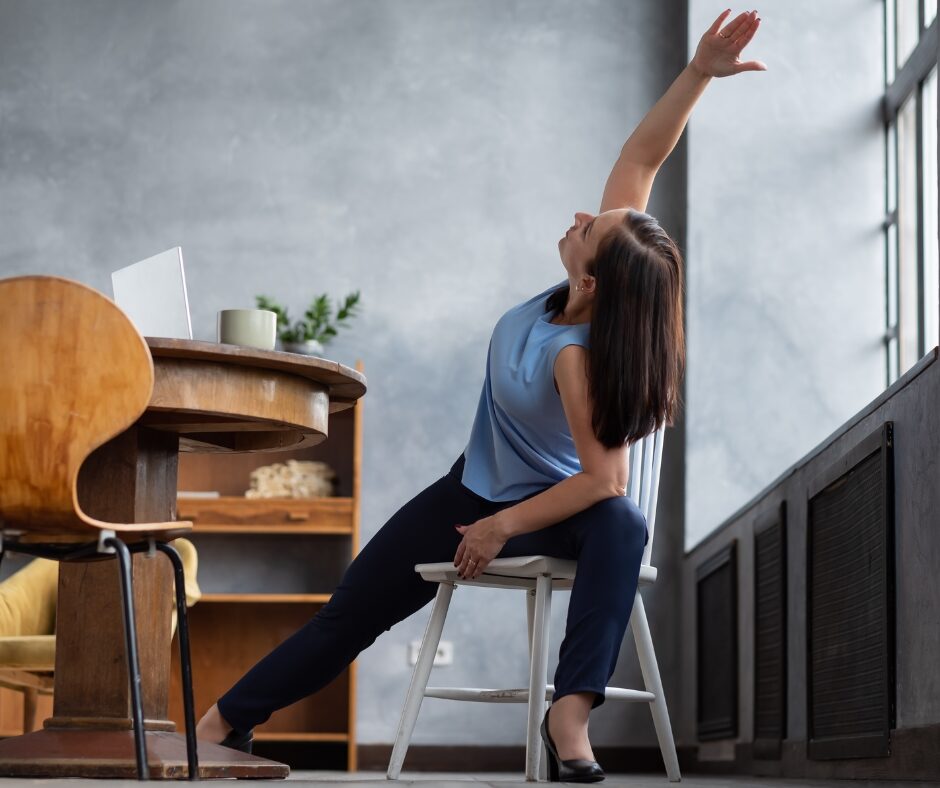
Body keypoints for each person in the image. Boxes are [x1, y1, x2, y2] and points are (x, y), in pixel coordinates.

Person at [196, 8, 765, 782]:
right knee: (351, 611)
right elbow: (643, 152)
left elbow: (604, 480)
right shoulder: (588, 286)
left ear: (590, 282)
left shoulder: (578, 358)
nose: (581, 218)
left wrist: (501, 527)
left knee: (621, 522)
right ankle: (226, 720)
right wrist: (699, 73)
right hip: (472, 487)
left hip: (551, 512)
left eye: (590, 229)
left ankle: (570, 717)